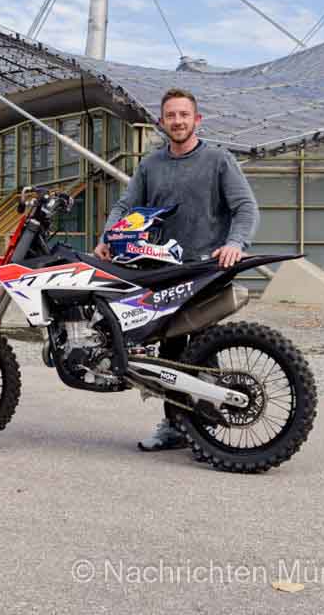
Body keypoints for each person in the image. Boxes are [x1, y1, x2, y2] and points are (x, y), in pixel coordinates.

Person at [93, 88, 259, 451]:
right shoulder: (151, 165)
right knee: (169, 350)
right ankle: (176, 426)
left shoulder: (218, 160)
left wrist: (235, 244)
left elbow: (246, 207)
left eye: (184, 115)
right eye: (171, 115)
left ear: (197, 120)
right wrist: (107, 236)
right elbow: (125, 206)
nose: (178, 121)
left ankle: (207, 428)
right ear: (161, 122)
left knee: (203, 344)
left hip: (205, 269)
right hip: (162, 271)